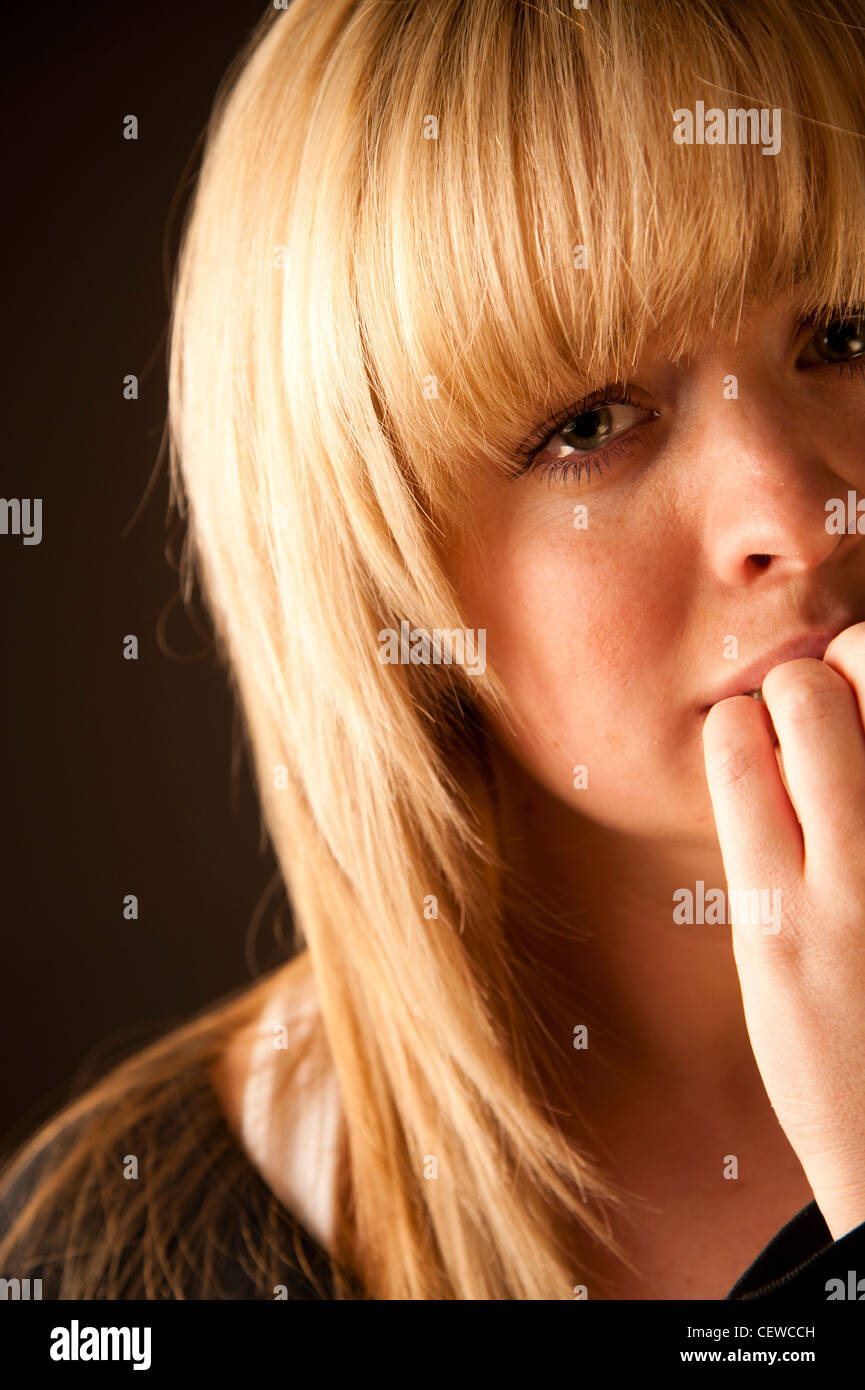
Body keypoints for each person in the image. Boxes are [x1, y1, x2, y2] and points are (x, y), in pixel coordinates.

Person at [3, 0, 865, 1301]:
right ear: (378, 572)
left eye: (844, 336)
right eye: (589, 424)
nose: (797, 514)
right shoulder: (120, 1262)